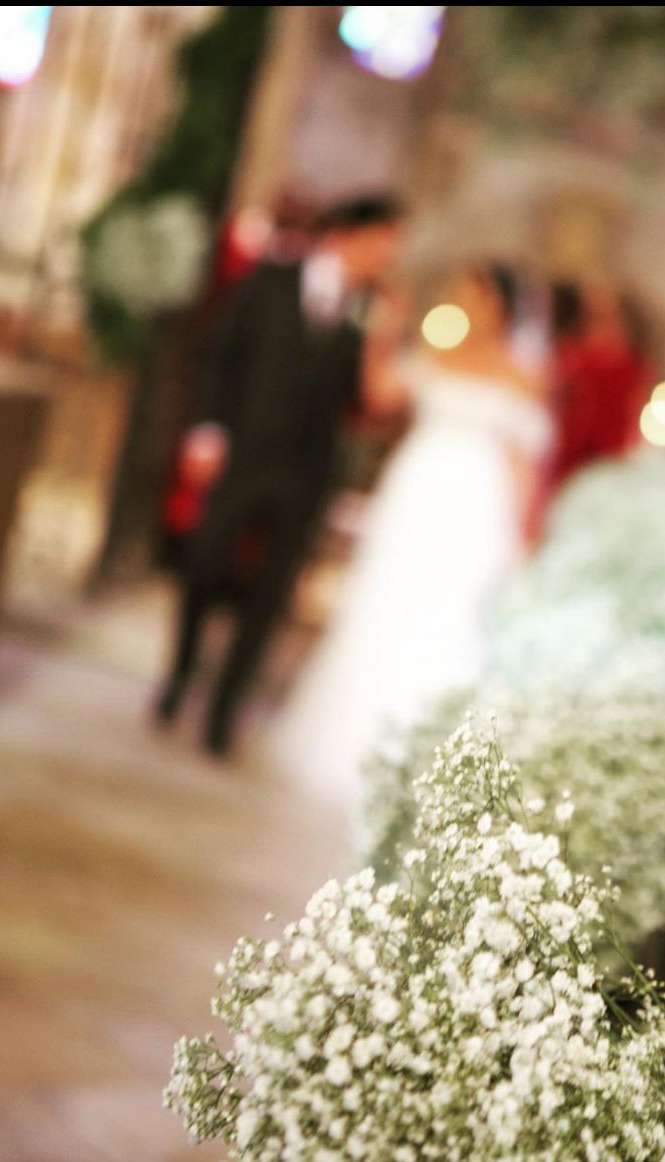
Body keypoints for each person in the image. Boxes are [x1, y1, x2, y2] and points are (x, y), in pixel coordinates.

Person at [273, 262, 552, 811]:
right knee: (387, 604)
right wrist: (384, 334)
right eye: (460, 293)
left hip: (476, 504)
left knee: (452, 616)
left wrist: (523, 536)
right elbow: (380, 397)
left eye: (475, 296)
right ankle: (358, 741)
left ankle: (429, 753)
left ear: (500, 307)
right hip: (417, 492)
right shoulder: (437, 354)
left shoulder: (520, 373)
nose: (466, 305)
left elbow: (522, 461)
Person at [155, 193, 407, 755]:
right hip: (243, 450)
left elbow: (366, 404)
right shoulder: (271, 279)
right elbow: (221, 354)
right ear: (347, 235)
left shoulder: (368, 310)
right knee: (203, 565)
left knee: (270, 597)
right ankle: (180, 675)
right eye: (382, 243)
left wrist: (384, 339)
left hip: (308, 468)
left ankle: (224, 710)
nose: (386, 257)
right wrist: (207, 429)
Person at [543, 279, 656, 501]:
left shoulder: (631, 361)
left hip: (604, 440)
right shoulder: (570, 345)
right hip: (566, 432)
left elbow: (631, 404)